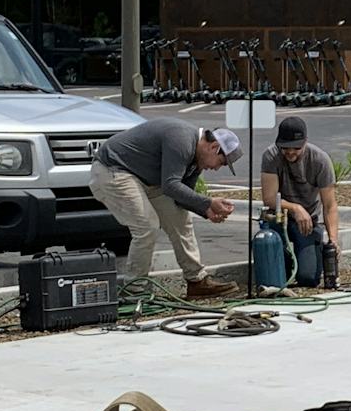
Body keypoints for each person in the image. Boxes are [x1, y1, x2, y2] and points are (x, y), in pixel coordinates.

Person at [91, 120, 241, 300]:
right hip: (113, 170)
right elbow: (171, 186)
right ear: (214, 147)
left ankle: (197, 282)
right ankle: (134, 290)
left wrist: (207, 211)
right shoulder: (182, 140)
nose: (216, 168)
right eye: (221, 163)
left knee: (180, 220)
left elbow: (181, 197)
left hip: (145, 179)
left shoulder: (196, 159)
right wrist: (208, 202)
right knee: (147, 227)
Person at [259, 114, 341, 289]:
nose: (290, 152)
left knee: (308, 278)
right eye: (285, 148)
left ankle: (304, 258)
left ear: (305, 142)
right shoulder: (270, 156)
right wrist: (295, 208)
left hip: (308, 223)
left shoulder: (320, 160)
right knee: (278, 275)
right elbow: (269, 198)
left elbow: (329, 205)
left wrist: (333, 239)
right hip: (279, 220)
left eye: (295, 148)